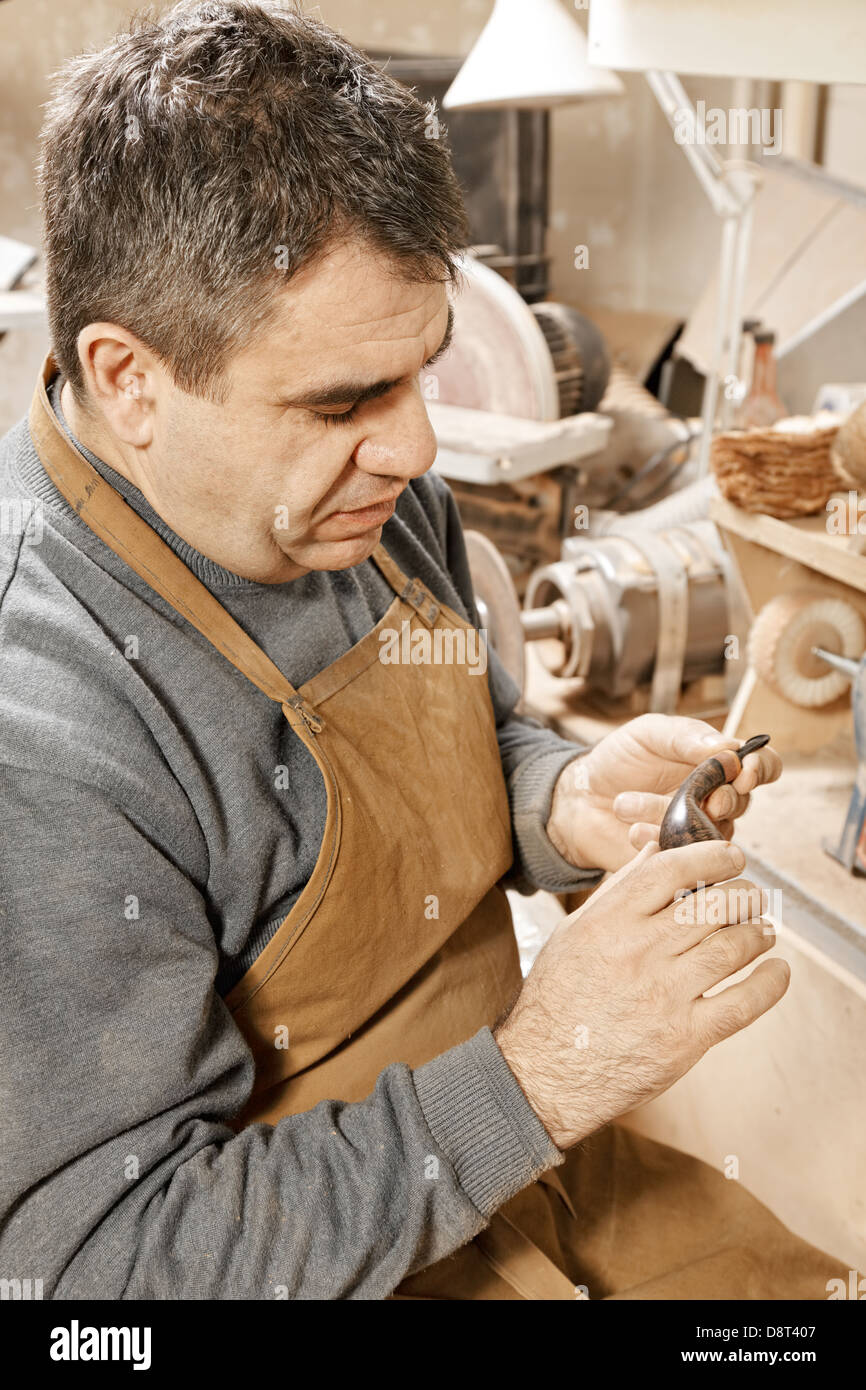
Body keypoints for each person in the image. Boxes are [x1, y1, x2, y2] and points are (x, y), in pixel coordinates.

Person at [0, 0, 846, 1299]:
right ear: (128, 378)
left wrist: (556, 793)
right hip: (314, 1242)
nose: (410, 449)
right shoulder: (43, 723)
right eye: (342, 400)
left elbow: (472, 717)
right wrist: (543, 1072)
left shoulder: (375, 503)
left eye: (420, 375)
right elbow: (101, 1269)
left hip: (517, 1162)